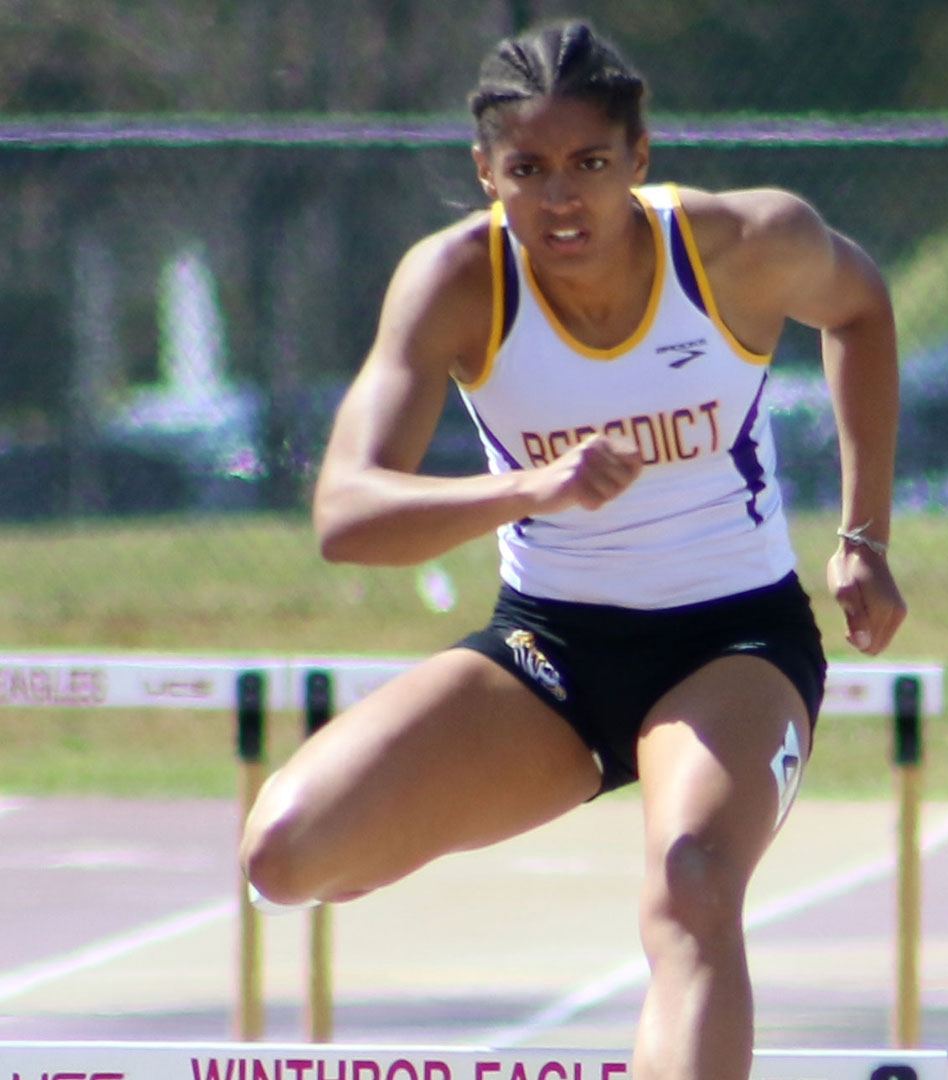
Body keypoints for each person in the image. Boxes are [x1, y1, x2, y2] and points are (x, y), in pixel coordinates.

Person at [240, 20, 905, 1080]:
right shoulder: (455, 280)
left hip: (733, 644)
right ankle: (461, 799)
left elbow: (862, 309)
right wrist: (529, 487)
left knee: (691, 881)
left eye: (590, 165)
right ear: (485, 173)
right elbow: (344, 514)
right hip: (549, 652)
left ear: (639, 159)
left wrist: (862, 536)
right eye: (529, 170)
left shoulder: (741, 244)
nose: (562, 201)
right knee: (283, 855)